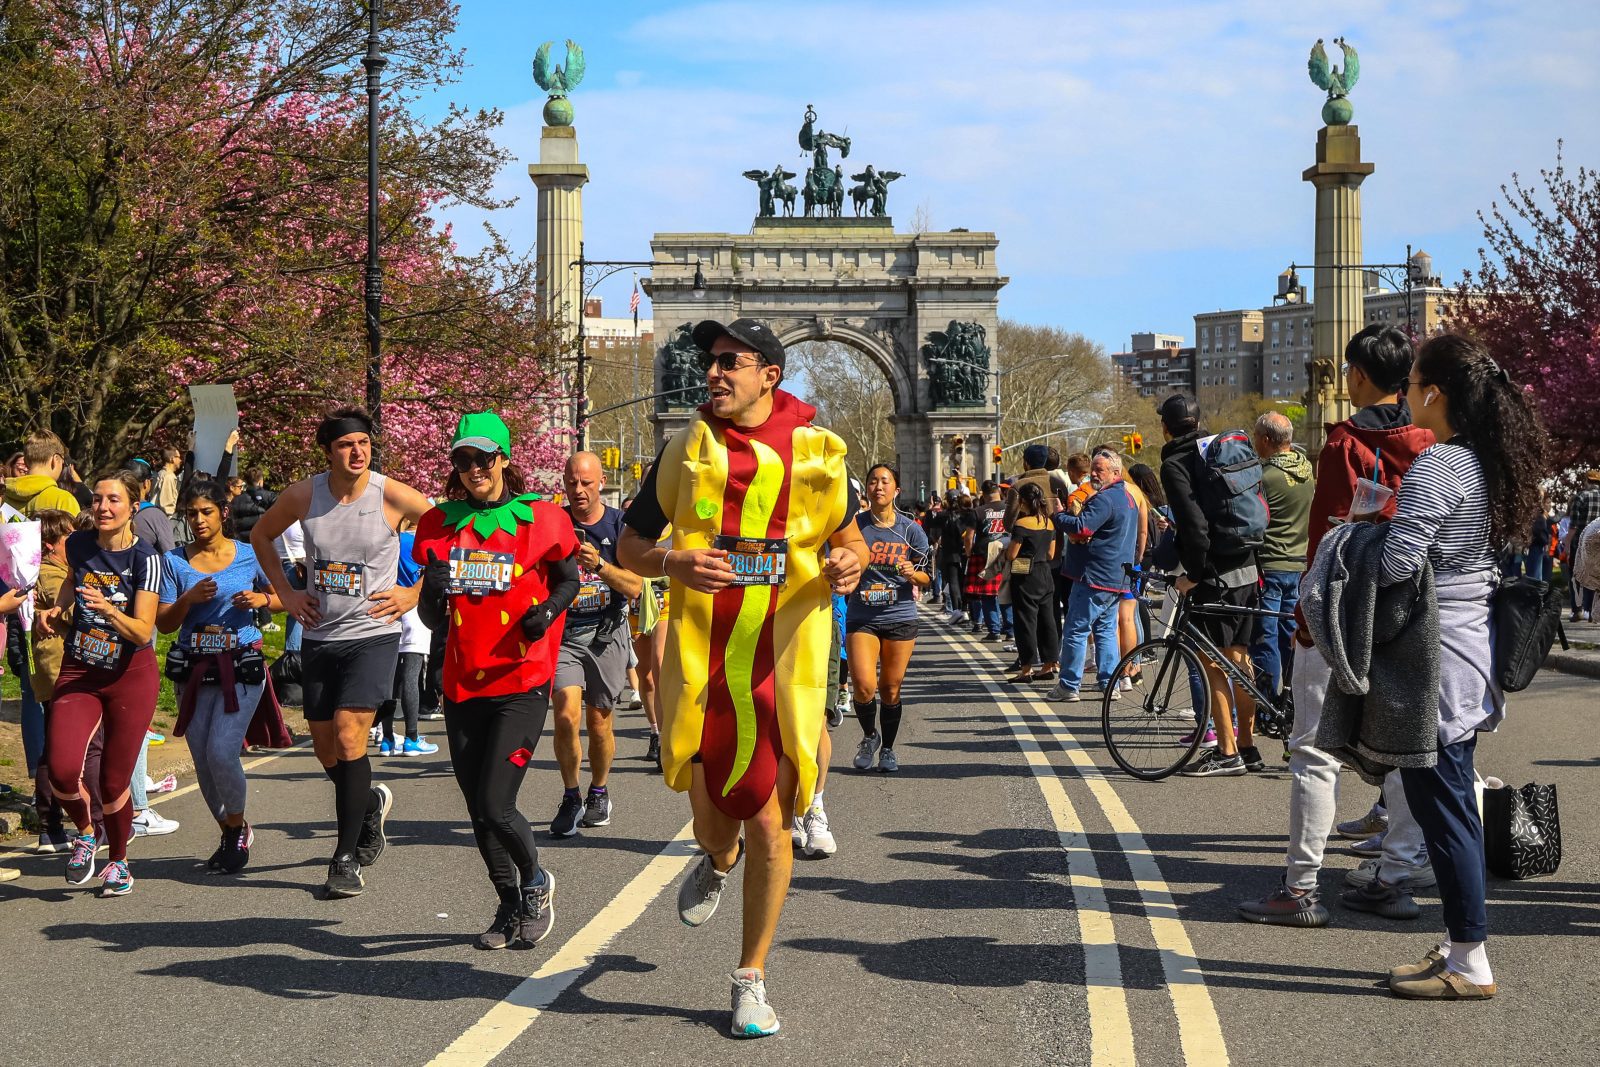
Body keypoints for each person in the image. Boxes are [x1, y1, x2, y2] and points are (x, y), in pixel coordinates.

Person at [617, 317, 865, 1038]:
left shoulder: (820, 453)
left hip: (780, 669)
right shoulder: (684, 450)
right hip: (704, 671)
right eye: (711, 362)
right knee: (716, 823)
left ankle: (750, 976)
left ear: (770, 375)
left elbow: (848, 540)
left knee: (770, 819)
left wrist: (852, 562)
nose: (714, 373)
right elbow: (631, 544)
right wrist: (673, 563)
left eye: (730, 361)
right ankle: (715, 861)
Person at [1239, 324, 1435, 927]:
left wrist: (1306, 619)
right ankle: (1396, 874)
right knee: (1405, 750)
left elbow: (1325, 538)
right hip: (1406, 618)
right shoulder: (1432, 442)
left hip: (1341, 612)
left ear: (1355, 374)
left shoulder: (1343, 443)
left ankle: (1301, 888)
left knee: (1312, 754)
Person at [1368, 334, 1546, 999]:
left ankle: (1470, 960)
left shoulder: (1439, 464)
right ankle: (1457, 944)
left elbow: (1396, 564)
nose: (1406, 393)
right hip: (1465, 650)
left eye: (1412, 383)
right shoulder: (1475, 461)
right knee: (1447, 807)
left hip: (1435, 659)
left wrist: (1363, 531)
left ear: (1435, 392)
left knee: (1443, 811)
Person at [249, 406, 433, 899]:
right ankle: (366, 803)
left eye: (364, 444)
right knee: (327, 746)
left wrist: (414, 594)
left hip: (373, 634)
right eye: (347, 445)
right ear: (328, 452)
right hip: (320, 636)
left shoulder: (390, 494)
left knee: (353, 738)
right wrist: (286, 594)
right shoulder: (306, 495)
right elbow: (260, 535)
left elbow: (450, 535)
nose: (357, 452)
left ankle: (345, 857)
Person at [414, 411, 575, 950]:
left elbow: (570, 580)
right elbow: (435, 620)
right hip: (464, 682)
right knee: (477, 809)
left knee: (494, 803)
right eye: (463, 460)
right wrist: (432, 591)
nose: (474, 468)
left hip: (522, 680)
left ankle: (534, 882)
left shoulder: (543, 518)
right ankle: (508, 904)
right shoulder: (439, 525)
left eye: (483, 458)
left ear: (504, 459)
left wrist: (547, 611)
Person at [37, 470, 163, 896]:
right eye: (97, 499)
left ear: (132, 506)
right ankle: (87, 833)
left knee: (113, 781)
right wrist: (56, 610)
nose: (103, 508)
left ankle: (120, 861)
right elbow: (72, 582)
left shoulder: (146, 559)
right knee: (63, 768)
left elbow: (143, 631)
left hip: (131, 676)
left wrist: (109, 610)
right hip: (81, 668)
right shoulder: (78, 544)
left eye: (113, 500)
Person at [155, 478, 280, 874]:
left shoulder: (249, 554)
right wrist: (187, 599)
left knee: (222, 750)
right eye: (191, 513)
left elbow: (285, 597)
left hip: (241, 663)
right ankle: (231, 830)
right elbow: (164, 622)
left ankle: (236, 829)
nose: (198, 520)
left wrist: (263, 599)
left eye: (206, 511)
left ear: (222, 513)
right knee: (202, 759)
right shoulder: (175, 561)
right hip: (193, 669)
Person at [1154, 395, 1264, 776]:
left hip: (1215, 574)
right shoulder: (1214, 450)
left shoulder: (1174, 463)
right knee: (1239, 656)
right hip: (1248, 566)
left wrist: (1195, 575)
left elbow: (1194, 526)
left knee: (1212, 662)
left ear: (1166, 427)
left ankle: (1227, 752)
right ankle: (1248, 746)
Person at [547, 452, 642, 837]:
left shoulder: (620, 526)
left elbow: (636, 586)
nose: (579, 490)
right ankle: (571, 796)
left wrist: (598, 565)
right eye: (572, 483)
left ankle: (598, 790)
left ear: (601, 481)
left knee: (599, 722)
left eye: (586, 482)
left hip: (606, 633)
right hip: (565, 634)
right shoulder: (554, 522)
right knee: (566, 715)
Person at [847, 463, 929, 775]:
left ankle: (889, 750)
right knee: (864, 686)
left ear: (897, 490)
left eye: (885, 481)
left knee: (890, 687)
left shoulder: (910, 530)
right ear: (866, 489)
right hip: (862, 616)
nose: (878, 486)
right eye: (873, 482)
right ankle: (869, 737)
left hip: (900, 616)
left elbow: (927, 577)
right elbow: (837, 558)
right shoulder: (854, 527)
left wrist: (913, 573)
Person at [1050, 450, 1138, 701]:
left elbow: (1082, 526)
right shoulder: (1127, 497)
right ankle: (1109, 683)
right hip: (1115, 576)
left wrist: (1058, 516)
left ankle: (1068, 685)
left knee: (1077, 629)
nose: (1094, 474)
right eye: (1094, 469)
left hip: (1095, 575)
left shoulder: (1105, 499)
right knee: (1106, 630)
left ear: (1115, 473)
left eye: (1100, 469)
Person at [1250, 412, 1314, 696]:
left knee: (1265, 638)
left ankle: (1269, 702)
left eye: (1255, 437)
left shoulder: (1264, 477)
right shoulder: (1307, 470)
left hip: (1269, 565)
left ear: (1266, 439)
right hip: (1299, 562)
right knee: (1291, 635)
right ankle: (1292, 698)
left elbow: (1252, 520)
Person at [377, 519, 437, 757]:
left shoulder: (389, 542)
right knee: (411, 676)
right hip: (413, 608)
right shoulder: (419, 545)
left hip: (388, 606)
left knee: (389, 678)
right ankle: (411, 737)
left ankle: (387, 738)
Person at [1005, 482, 1059, 683]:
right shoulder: (1049, 523)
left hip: (1025, 574)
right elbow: (1051, 553)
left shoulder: (1021, 524)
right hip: (1045, 572)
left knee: (1025, 622)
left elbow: (1012, 554)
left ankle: (1026, 668)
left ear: (1022, 501)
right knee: (1048, 620)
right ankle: (1048, 664)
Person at [963, 481, 1007, 639]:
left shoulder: (978, 511)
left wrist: (969, 553)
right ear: (999, 491)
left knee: (988, 595)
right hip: (1007, 554)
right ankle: (1010, 631)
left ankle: (994, 632)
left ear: (983, 493)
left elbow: (968, 537)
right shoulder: (1010, 508)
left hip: (984, 555)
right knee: (1006, 593)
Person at [1565, 471, 1600, 621]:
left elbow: (1573, 526)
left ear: (1587, 480)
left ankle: (1577, 610)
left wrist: (1566, 544)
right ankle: (1593, 611)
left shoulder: (1580, 497)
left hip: (1581, 542)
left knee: (1576, 577)